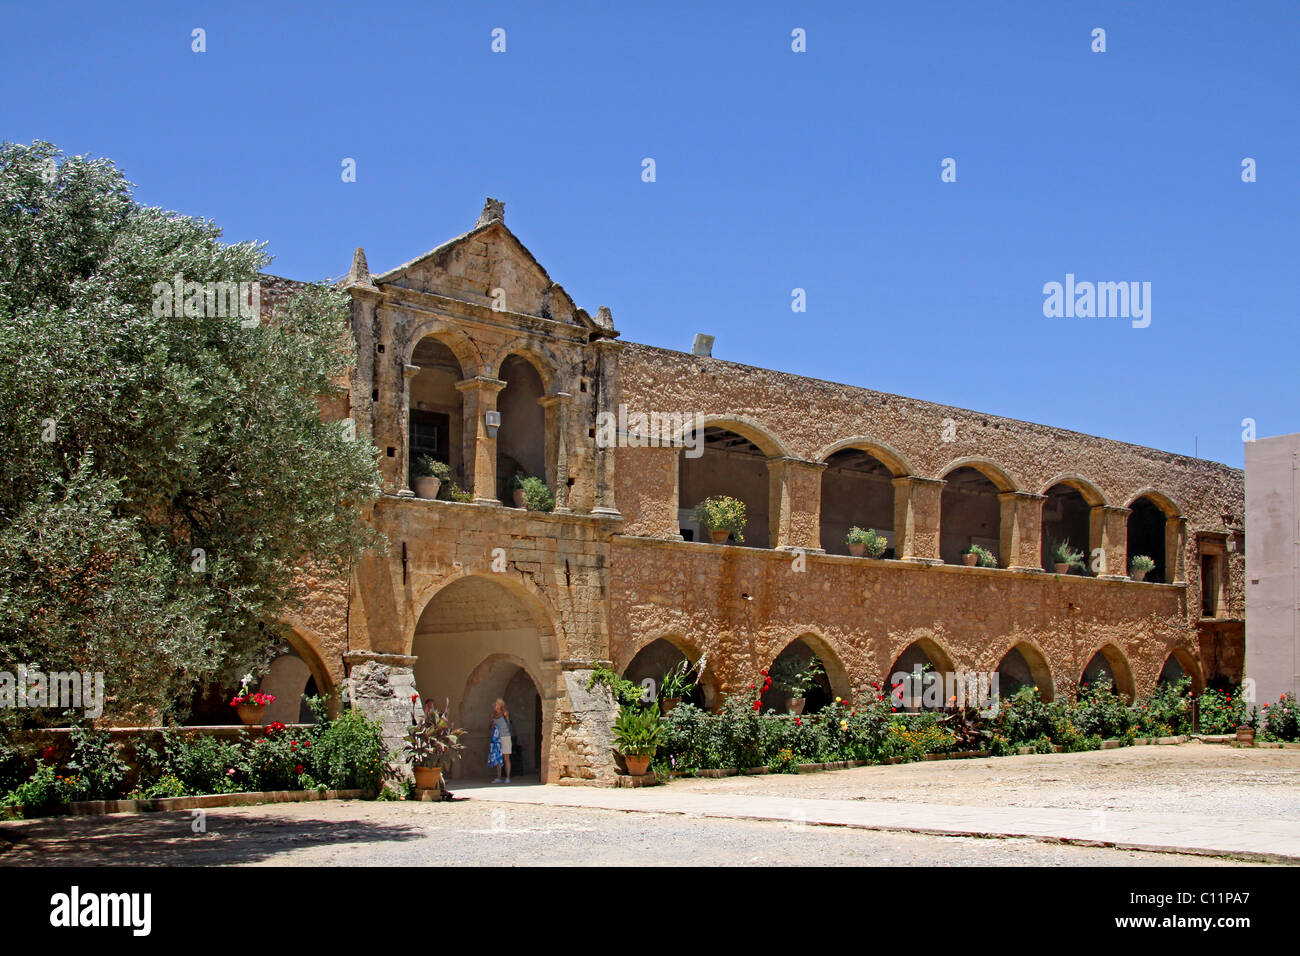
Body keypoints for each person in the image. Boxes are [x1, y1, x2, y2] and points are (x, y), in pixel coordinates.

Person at [490, 698, 512, 783]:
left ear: (500, 705)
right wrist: (492, 723)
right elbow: (491, 727)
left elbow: (508, 723)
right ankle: (498, 777)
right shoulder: (493, 715)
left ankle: (508, 777)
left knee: (506, 757)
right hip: (497, 738)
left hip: (505, 736)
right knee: (498, 758)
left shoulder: (505, 713)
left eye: (496, 704)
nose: (494, 706)